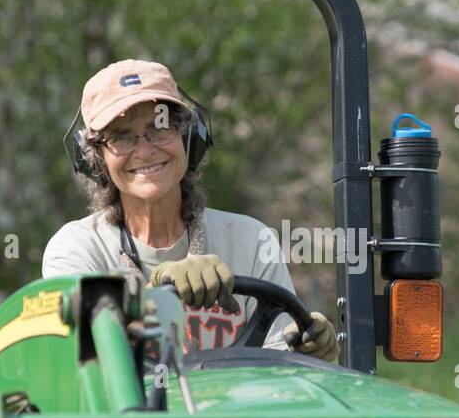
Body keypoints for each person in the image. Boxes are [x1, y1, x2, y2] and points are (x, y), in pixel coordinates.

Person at [42, 59, 339, 361]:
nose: (144, 150)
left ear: (189, 136)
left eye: (160, 126)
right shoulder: (76, 248)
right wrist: (158, 285)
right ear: (94, 158)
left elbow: (284, 376)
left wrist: (309, 348)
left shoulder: (251, 240)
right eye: (120, 136)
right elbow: (85, 361)